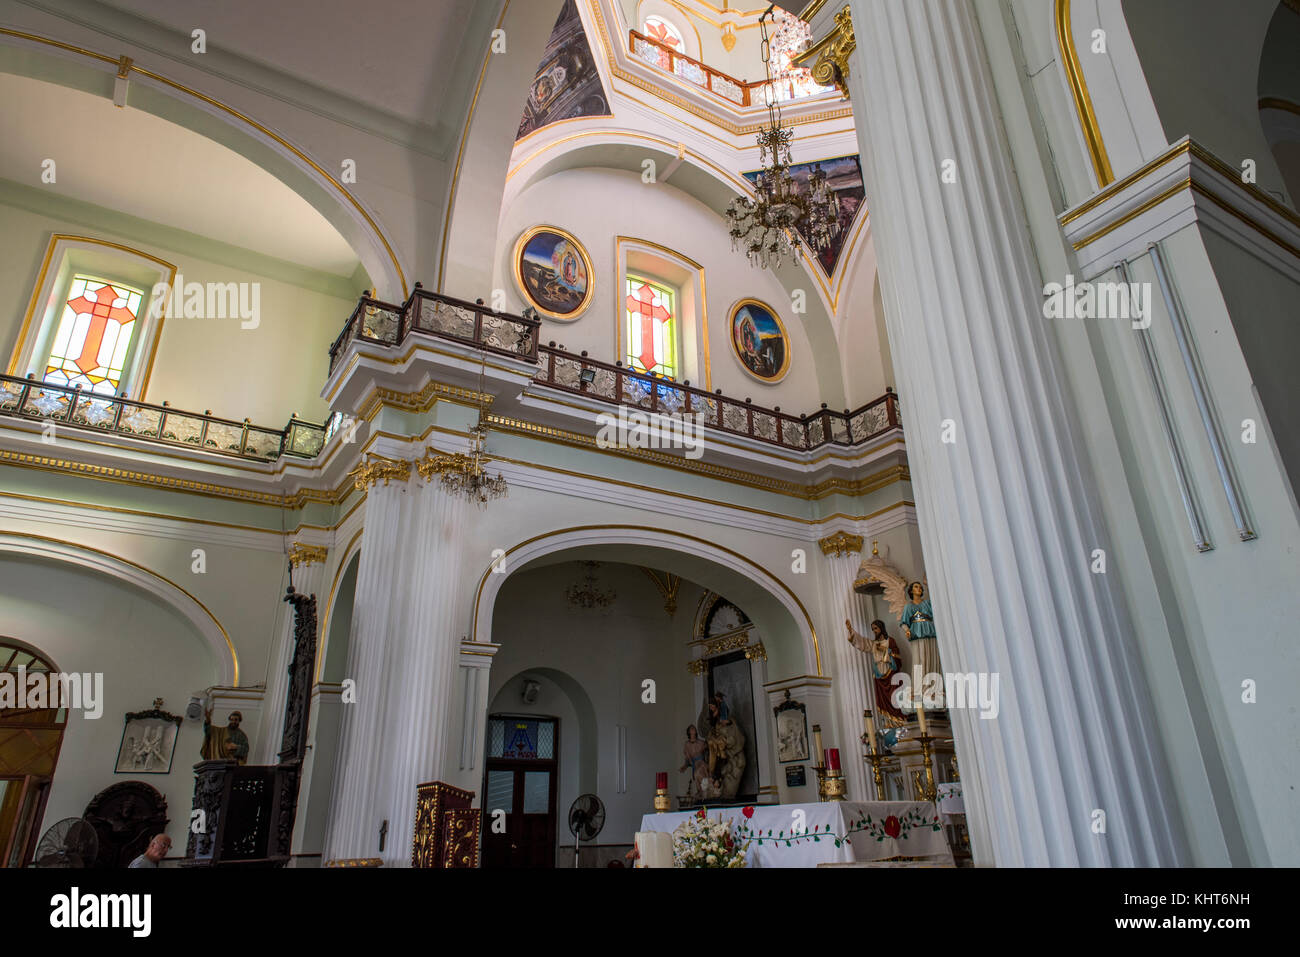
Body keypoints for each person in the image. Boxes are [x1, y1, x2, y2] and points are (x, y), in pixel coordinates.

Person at [847, 618, 908, 725]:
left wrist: (885, 651)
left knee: (895, 698)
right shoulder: (874, 644)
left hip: (891, 675)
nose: (874, 631)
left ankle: (900, 721)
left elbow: (897, 658)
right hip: (880, 676)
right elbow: (863, 643)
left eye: (876, 628)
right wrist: (851, 631)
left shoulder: (890, 641)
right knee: (883, 701)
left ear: (881, 628)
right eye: (872, 629)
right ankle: (889, 722)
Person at [900, 582, 942, 680]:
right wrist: (907, 630)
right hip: (916, 634)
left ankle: (934, 685)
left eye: (920, 587)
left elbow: (936, 614)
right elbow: (904, 622)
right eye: (916, 586)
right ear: (911, 591)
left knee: (932, 658)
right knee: (920, 659)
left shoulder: (927, 603)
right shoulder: (908, 606)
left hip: (930, 632)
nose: (919, 588)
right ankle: (920, 687)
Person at [679, 725, 708, 799]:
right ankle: (700, 792)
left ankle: (705, 792)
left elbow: (708, 749)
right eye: (691, 729)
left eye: (694, 729)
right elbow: (687, 759)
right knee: (696, 775)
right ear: (689, 732)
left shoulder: (701, 743)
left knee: (700, 775)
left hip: (701, 763)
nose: (693, 730)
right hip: (695, 764)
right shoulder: (687, 745)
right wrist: (684, 766)